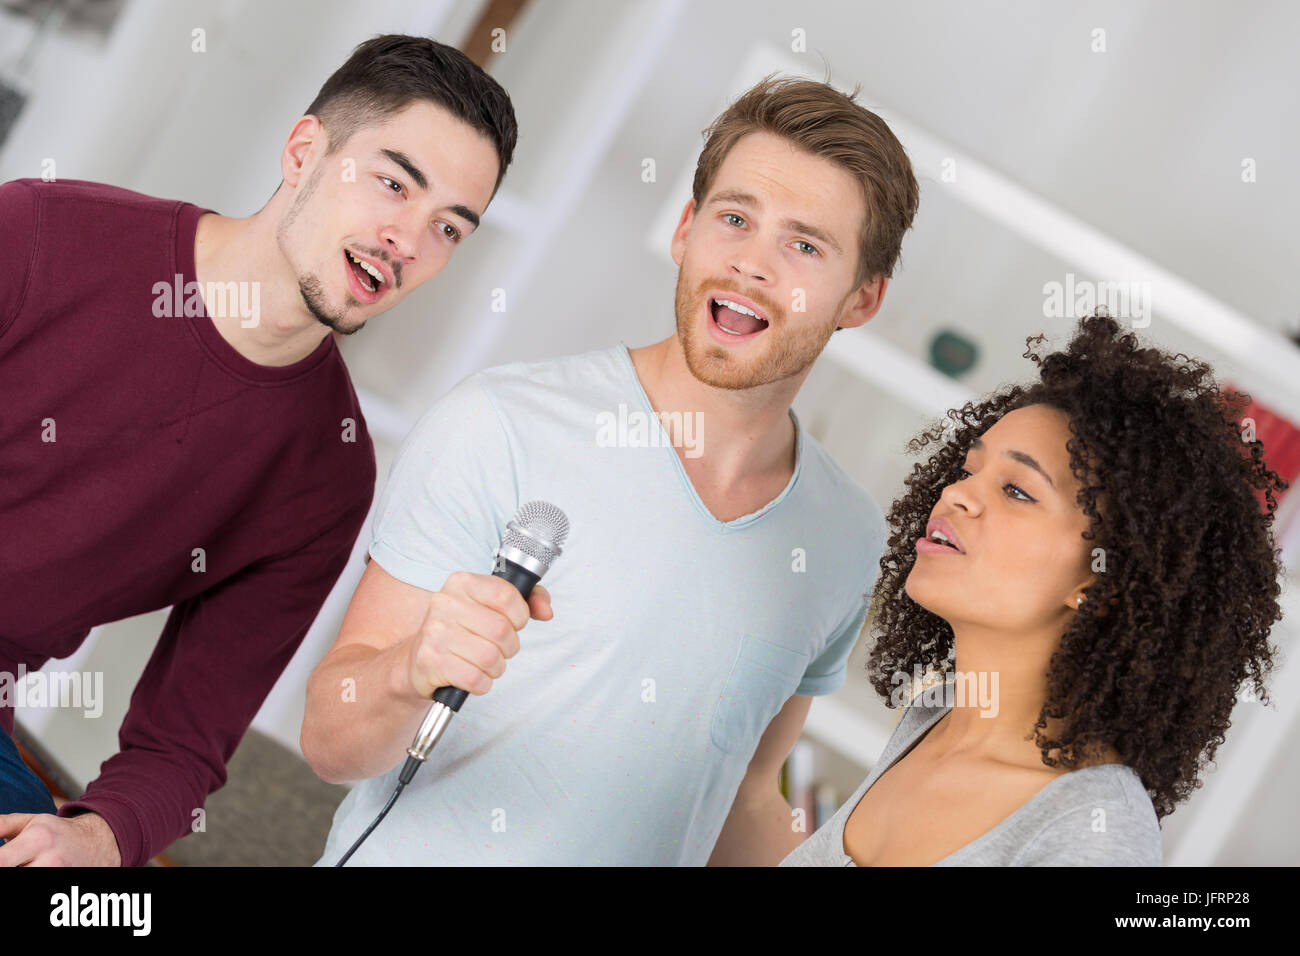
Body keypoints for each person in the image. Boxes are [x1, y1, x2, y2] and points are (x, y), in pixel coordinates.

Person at [302, 74, 921, 865]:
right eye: (735, 219)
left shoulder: (845, 537)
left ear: (862, 299)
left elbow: (743, 796)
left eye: (804, 245)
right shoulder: (501, 424)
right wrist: (409, 671)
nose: (750, 264)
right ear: (687, 229)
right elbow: (329, 739)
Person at [0, 34, 517, 867]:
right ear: (304, 152)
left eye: (449, 228)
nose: (408, 240)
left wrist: (97, 837)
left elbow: (182, 745)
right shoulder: (39, 232)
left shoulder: (327, 475)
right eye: (393, 184)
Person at [781, 312, 1287, 866]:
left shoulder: (1092, 833)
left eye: (1018, 491)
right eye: (969, 471)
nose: (956, 495)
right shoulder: (933, 716)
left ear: (1101, 581)